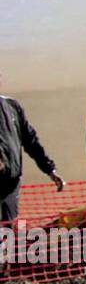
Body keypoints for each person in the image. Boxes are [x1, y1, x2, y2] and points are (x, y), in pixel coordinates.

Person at [0, 71, 65, 223]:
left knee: (8, 232)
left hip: (10, 185)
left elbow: (31, 141)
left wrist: (50, 169)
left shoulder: (12, 107)